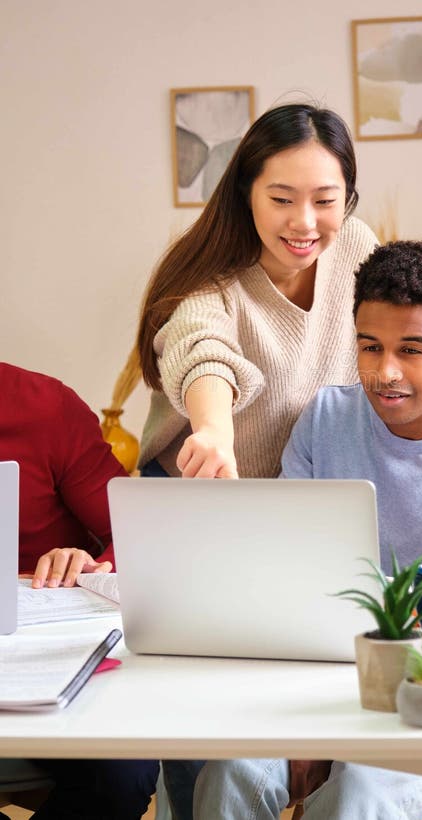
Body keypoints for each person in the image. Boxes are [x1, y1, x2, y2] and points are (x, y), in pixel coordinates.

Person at [192, 240, 422, 820]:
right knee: (230, 775)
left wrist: (347, 733)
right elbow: (287, 576)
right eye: (370, 346)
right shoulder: (326, 418)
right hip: (324, 686)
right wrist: (316, 728)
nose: (385, 372)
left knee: (355, 795)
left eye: (411, 350)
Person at [135, 103, 378, 819]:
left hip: (300, 503)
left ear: (348, 197)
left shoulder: (358, 248)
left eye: (325, 199)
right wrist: (213, 429)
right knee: (206, 718)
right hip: (202, 497)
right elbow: (201, 348)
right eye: (281, 198)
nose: (305, 221)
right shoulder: (210, 272)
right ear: (246, 192)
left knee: (299, 709)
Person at [0, 362, 159, 820]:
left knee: (123, 774)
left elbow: (135, 531)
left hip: (46, 656)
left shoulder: (45, 408)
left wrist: (89, 565)